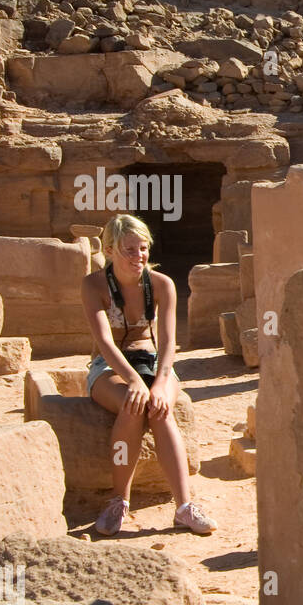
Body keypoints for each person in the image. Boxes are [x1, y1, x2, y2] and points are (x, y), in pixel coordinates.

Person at [81, 214, 217, 537]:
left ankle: (184, 507)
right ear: (111, 250)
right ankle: (119, 502)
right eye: (129, 250)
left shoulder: (161, 285)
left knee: (160, 407)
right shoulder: (94, 285)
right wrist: (133, 382)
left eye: (142, 249)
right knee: (133, 403)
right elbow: (104, 342)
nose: (138, 256)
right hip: (110, 367)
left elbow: (169, 344)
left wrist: (158, 383)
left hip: (155, 363)